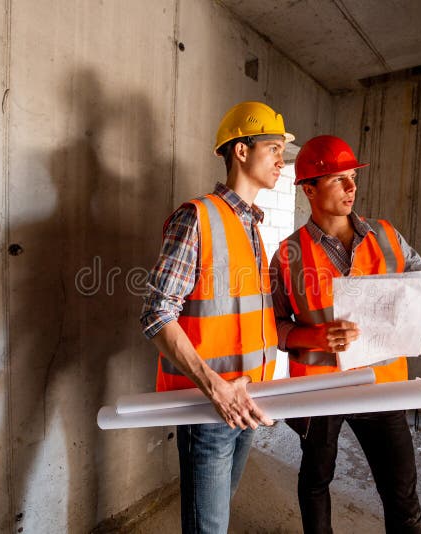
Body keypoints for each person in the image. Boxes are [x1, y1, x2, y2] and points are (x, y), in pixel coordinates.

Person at [271, 135, 421, 534]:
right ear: (309, 188)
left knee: (401, 494)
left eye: (353, 177)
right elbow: (276, 327)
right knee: (316, 481)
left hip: (381, 385)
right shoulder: (287, 255)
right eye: (339, 179)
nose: (352, 188)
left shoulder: (387, 236)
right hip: (320, 392)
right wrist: (315, 339)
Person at [140, 101, 294, 533]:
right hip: (211, 406)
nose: (282, 160)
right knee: (208, 527)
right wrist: (216, 389)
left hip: (249, 400)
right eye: (273, 147)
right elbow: (156, 312)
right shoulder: (198, 216)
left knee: (215, 516)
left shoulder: (252, 227)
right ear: (241, 151)